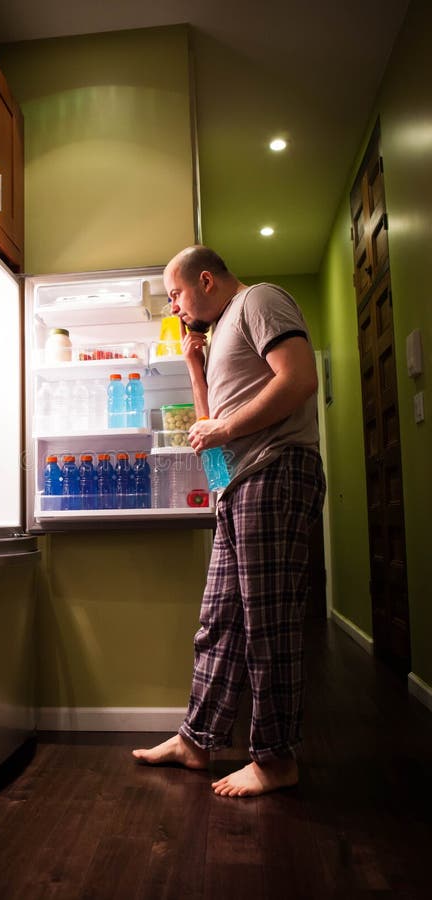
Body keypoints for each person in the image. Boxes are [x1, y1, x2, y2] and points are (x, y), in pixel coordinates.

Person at [133, 245, 326, 797]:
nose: (174, 308)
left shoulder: (258, 302)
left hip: (278, 472)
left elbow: (300, 379)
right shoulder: (217, 340)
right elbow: (209, 434)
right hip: (239, 487)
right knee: (218, 620)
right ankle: (198, 742)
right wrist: (195, 366)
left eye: (176, 294)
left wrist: (222, 432)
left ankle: (275, 759)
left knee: (269, 622)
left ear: (207, 280)